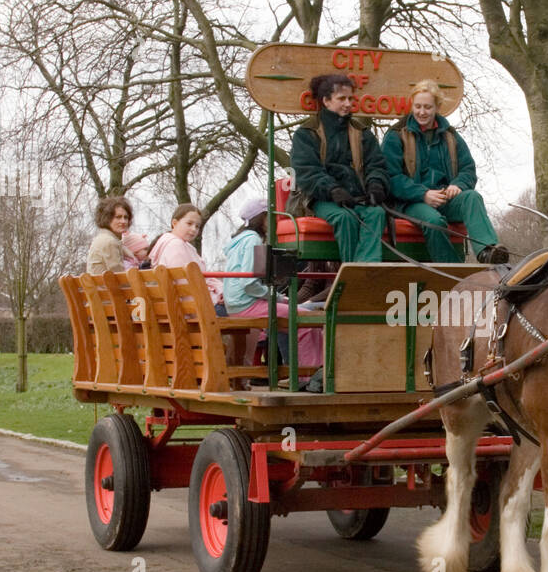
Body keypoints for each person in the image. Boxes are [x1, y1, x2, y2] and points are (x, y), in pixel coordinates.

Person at [382, 79, 508, 264]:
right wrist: (423, 194)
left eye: (427, 107)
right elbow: (390, 177)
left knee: (472, 197)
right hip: (410, 202)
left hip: (445, 198)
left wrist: (458, 185)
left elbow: (468, 169)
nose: (422, 112)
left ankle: (487, 251)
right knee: (434, 222)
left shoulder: (450, 136)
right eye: (418, 106)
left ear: (437, 107)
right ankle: (452, 271)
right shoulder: (396, 135)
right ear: (412, 105)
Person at [222, 195, 325, 380]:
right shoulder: (253, 240)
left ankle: (309, 372)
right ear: (262, 217)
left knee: (297, 315)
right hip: (248, 304)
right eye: (271, 216)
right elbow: (249, 283)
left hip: (237, 305)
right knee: (308, 320)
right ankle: (309, 377)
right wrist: (277, 297)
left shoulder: (239, 240)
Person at [290, 74, 391, 262]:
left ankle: (366, 269)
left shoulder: (362, 133)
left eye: (350, 99)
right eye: (342, 99)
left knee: (376, 213)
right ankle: (351, 270)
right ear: (326, 101)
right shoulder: (306, 134)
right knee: (345, 218)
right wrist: (333, 189)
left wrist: (375, 185)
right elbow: (307, 171)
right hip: (319, 199)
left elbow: (376, 164)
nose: (348, 104)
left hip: (357, 197)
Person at [149, 203, 227, 314]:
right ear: (174, 223)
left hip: (190, 306)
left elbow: (202, 279)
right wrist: (215, 298)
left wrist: (220, 291)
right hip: (194, 310)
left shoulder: (182, 246)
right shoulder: (176, 246)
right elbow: (185, 286)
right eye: (189, 223)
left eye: (197, 226)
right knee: (243, 309)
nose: (193, 229)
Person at [87, 196, 135, 275]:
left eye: (126, 217)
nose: (123, 221)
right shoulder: (109, 242)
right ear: (107, 219)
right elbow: (119, 276)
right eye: (118, 217)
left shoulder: (101, 238)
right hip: (108, 287)